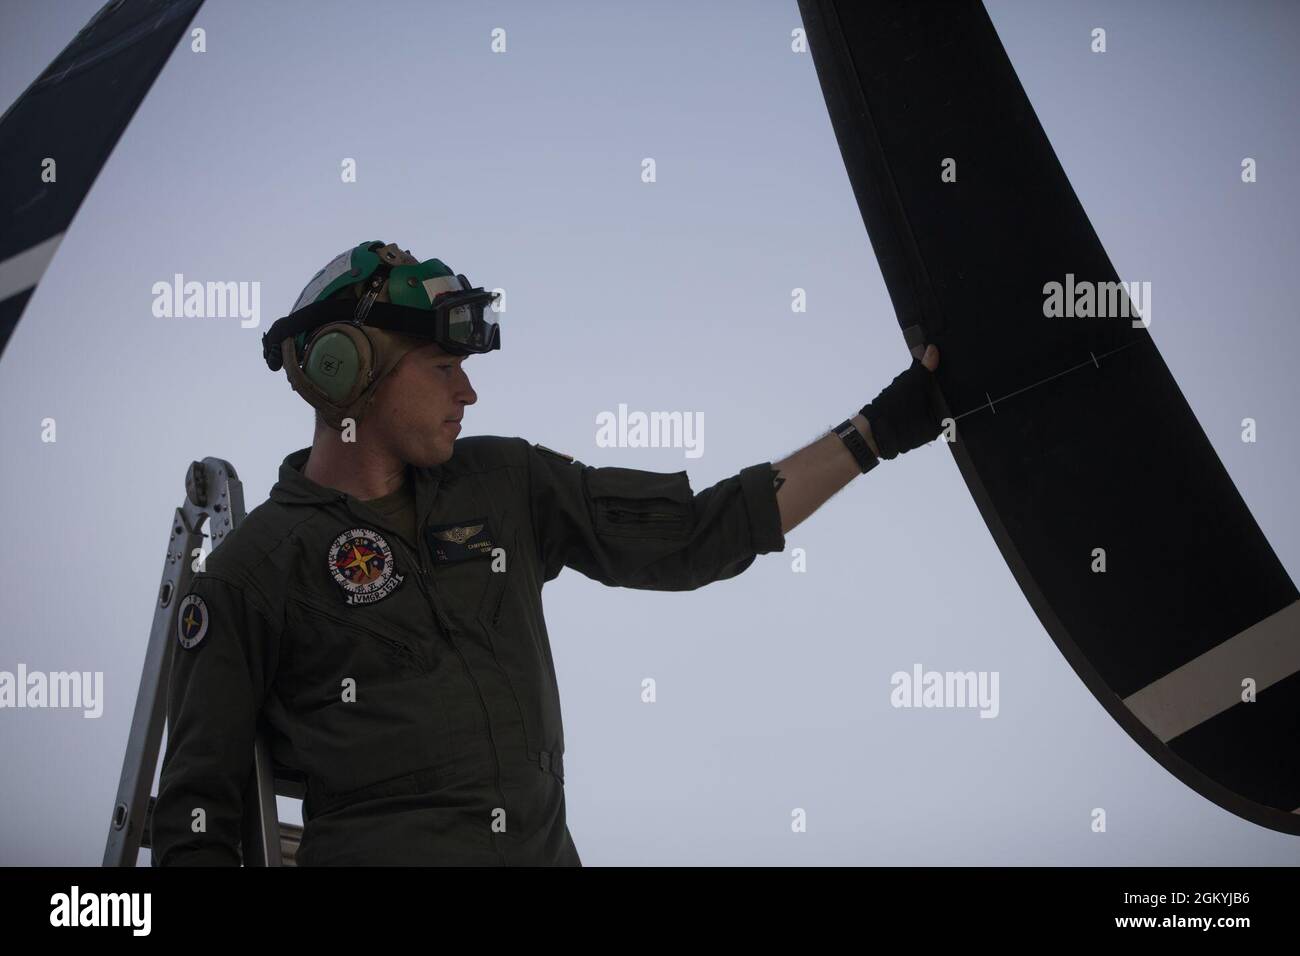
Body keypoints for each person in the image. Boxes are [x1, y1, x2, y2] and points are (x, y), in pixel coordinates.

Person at [151, 240, 943, 866]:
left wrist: (880, 431)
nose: (469, 393)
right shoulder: (253, 573)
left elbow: (698, 535)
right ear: (348, 372)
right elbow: (196, 820)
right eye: (444, 367)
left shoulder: (505, 484)